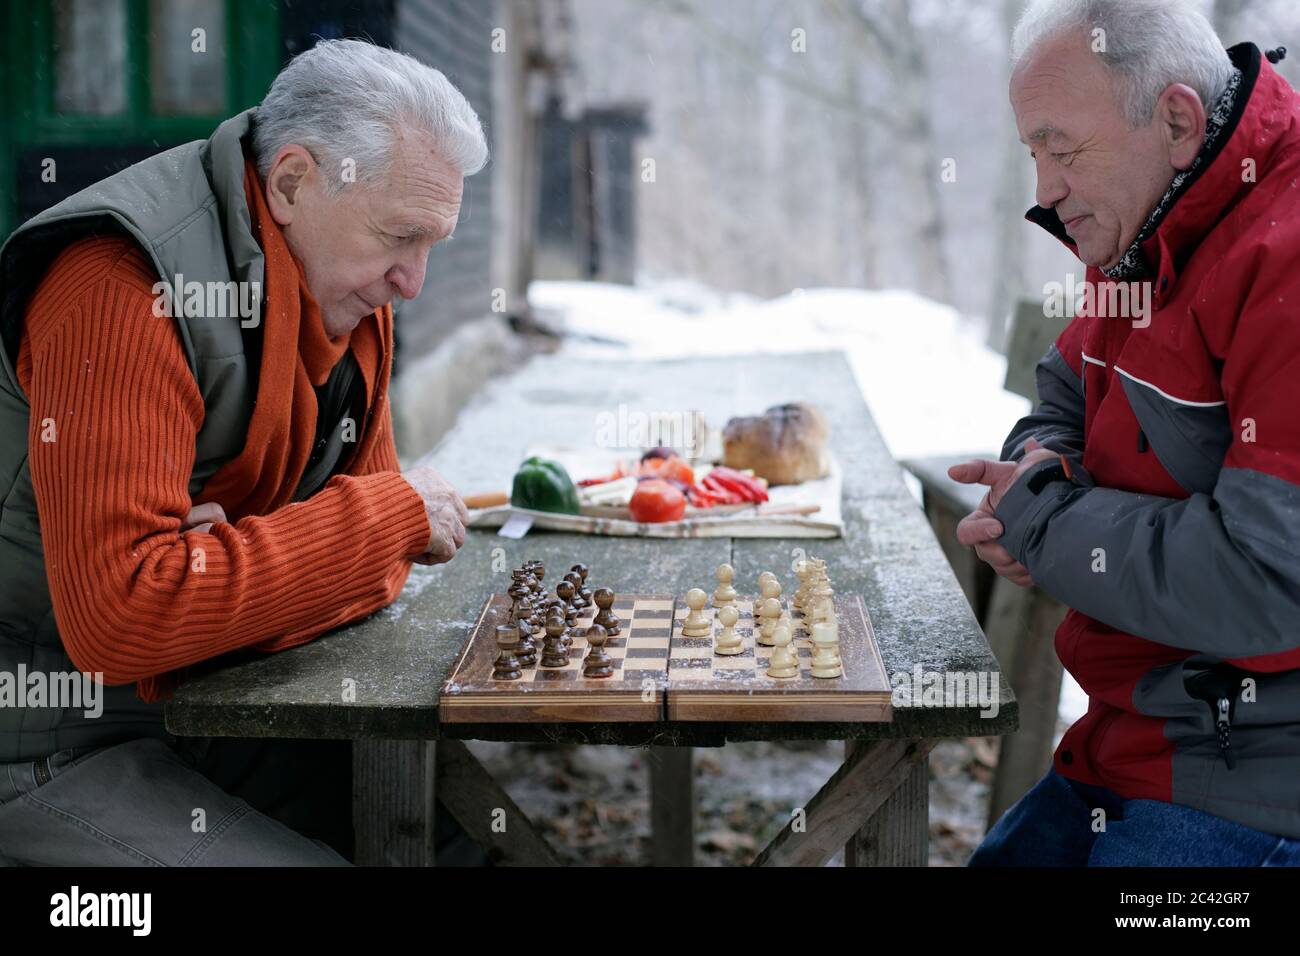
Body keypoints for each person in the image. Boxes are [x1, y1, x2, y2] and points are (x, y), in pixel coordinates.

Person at [0, 38, 483, 865]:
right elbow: (126, 622)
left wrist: (222, 572)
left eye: (433, 243)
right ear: (293, 180)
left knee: (453, 842)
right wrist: (364, 525)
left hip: (207, 696)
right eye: (402, 236)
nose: (415, 281)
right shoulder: (122, 283)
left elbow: (374, 577)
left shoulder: (346, 292)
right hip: (42, 735)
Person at [957, 0, 1300, 866]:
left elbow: (1268, 579)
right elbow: (1062, 388)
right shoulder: (1152, 229)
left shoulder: (1282, 251)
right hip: (1141, 740)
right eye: (1032, 155)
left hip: (1259, 779)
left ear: (1179, 120)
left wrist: (1040, 520)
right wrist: (1036, 476)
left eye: (1062, 150)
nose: (1045, 191)